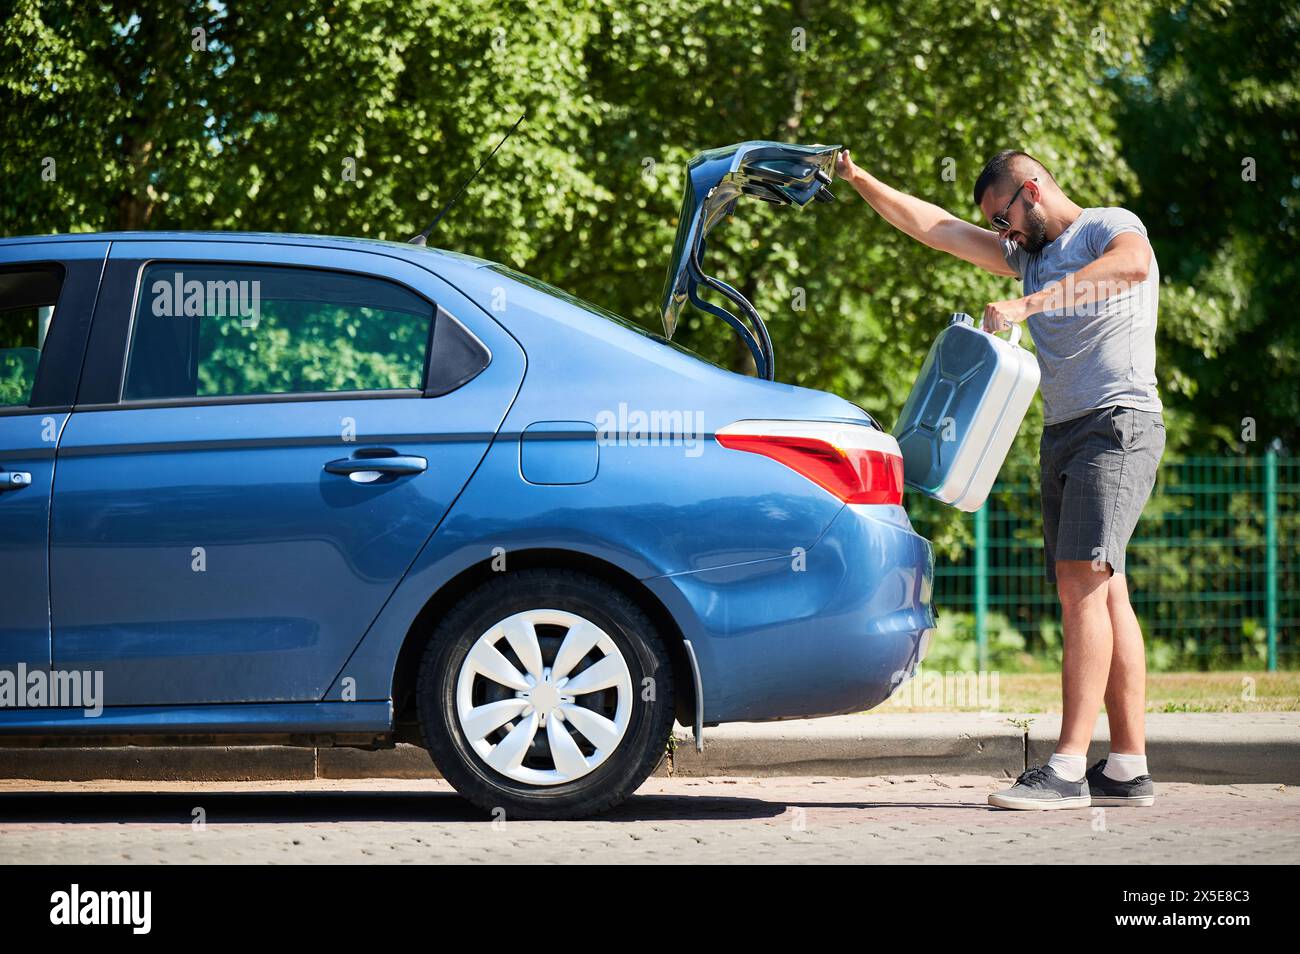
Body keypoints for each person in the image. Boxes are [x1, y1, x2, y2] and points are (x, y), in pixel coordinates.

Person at [836, 148, 1163, 809]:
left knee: (1081, 584)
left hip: (1118, 424)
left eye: (1005, 218)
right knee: (1107, 587)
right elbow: (936, 227)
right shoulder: (1028, 253)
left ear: (1033, 190)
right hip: (1066, 431)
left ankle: (1068, 771)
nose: (1004, 236)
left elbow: (1132, 266)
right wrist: (858, 178)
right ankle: (1128, 766)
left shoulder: (1106, 225)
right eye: (998, 226)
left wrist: (1030, 304)